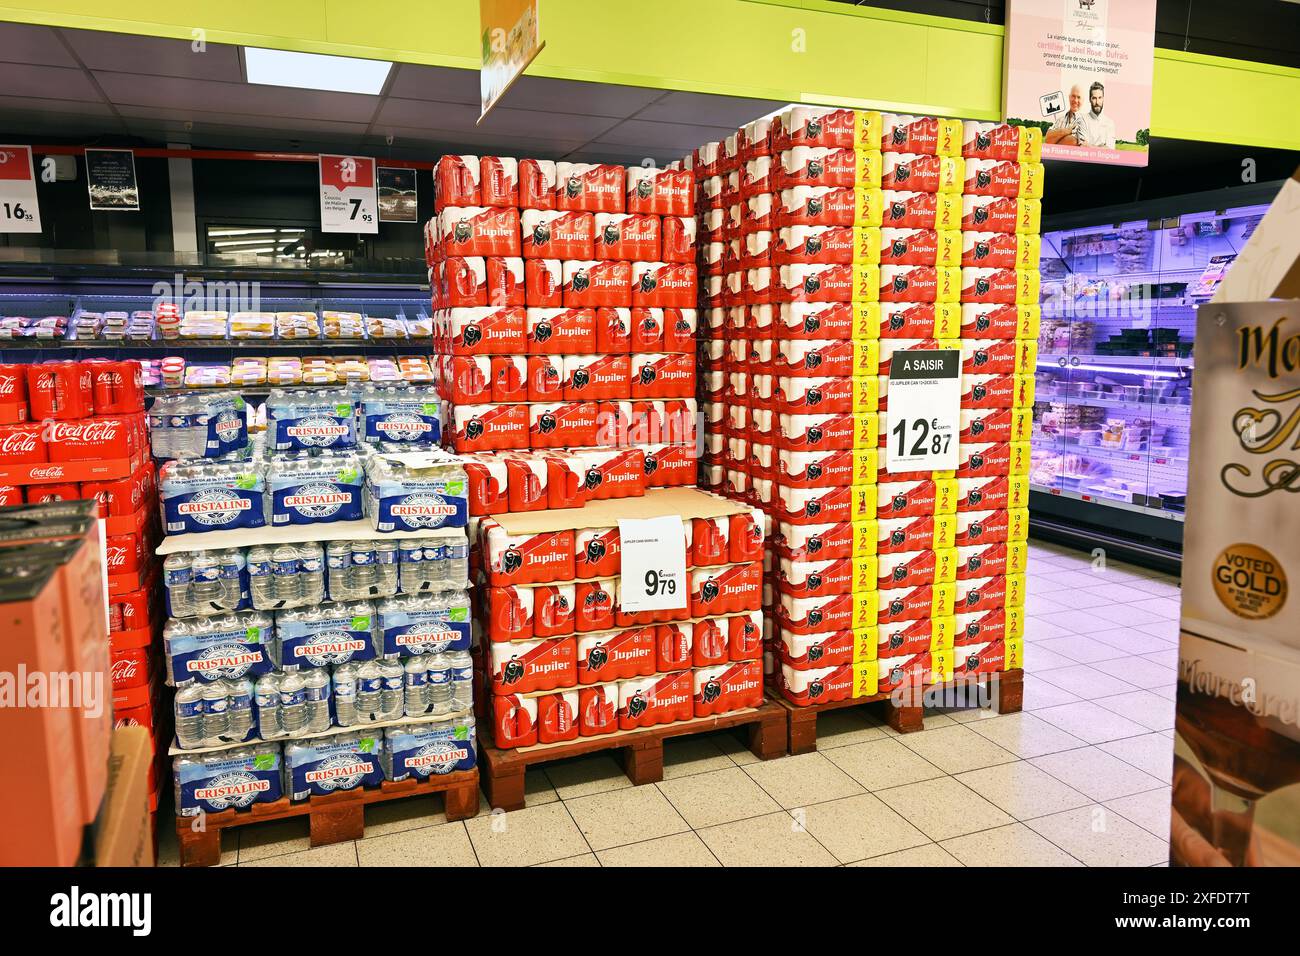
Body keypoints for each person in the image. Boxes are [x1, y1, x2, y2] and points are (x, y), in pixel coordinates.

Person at [1076, 81, 1116, 149]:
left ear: (1103, 99)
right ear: (1090, 99)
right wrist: (1103, 147)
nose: (1097, 102)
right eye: (1094, 98)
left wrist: (1089, 146)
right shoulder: (1082, 120)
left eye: (1100, 98)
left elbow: (1111, 150)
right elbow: (1083, 147)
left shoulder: (1110, 123)